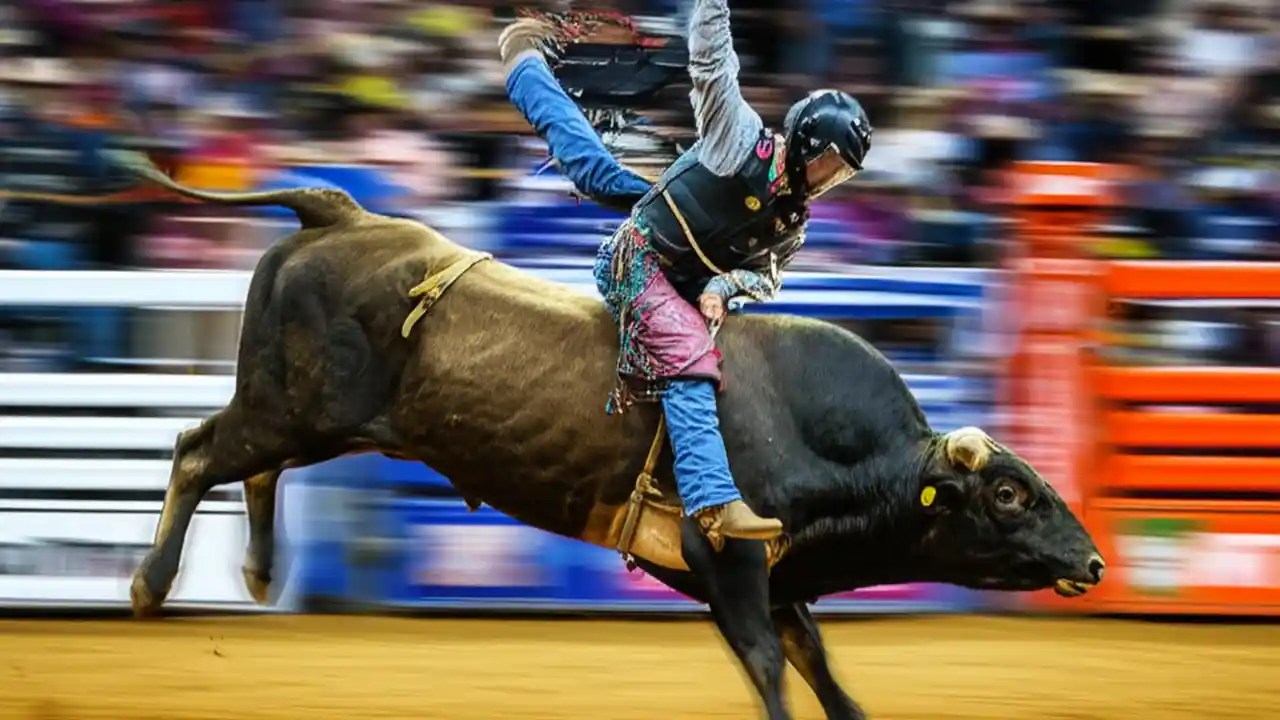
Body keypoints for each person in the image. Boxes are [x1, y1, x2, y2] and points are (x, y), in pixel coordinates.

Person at [498, 0, 873, 545]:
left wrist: (725, 287)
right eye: (829, 164)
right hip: (640, 259)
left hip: (688, 264)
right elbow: (712, 60)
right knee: (687, 354)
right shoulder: (737, 138)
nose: (830, 180)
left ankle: (523, 66)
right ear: (808, 140)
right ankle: (710, 501)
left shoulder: (794, 221)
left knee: (597, 172)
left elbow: (766, 278)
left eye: (843, 175)